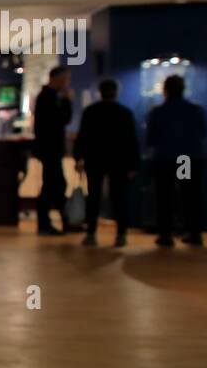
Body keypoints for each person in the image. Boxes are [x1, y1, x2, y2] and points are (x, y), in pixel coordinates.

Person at [73, 79, 139, 247]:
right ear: (116, 92)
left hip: (95, 158)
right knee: (119, 197)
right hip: (119, 160)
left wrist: (78, 157)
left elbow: (83, 137)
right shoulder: (124, 113)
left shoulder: (91, 112)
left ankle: (91, 233)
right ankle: (121, 233)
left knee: (93, 196)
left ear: (100, 92)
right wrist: (133, 164)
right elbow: (131, 140)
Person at [147, 74, 206, 247]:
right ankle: (193, 232)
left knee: (164, 196)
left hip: (165, 158)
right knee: (189, 194)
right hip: (186, 158)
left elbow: (151, 138)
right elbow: (202, 132)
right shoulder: (195, 110)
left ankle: (166, 234)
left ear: (165, 90)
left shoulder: (157, 111)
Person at [33, 66, 73, 235]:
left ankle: (61, 221)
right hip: (50, 149)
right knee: (52, 185)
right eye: (65, 79)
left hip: (49, 149)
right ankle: (46, 223)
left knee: (55, 184)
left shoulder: (47, 97)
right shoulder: (48, 98)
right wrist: (67, 100)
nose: (66, 83)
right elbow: (63, 119)